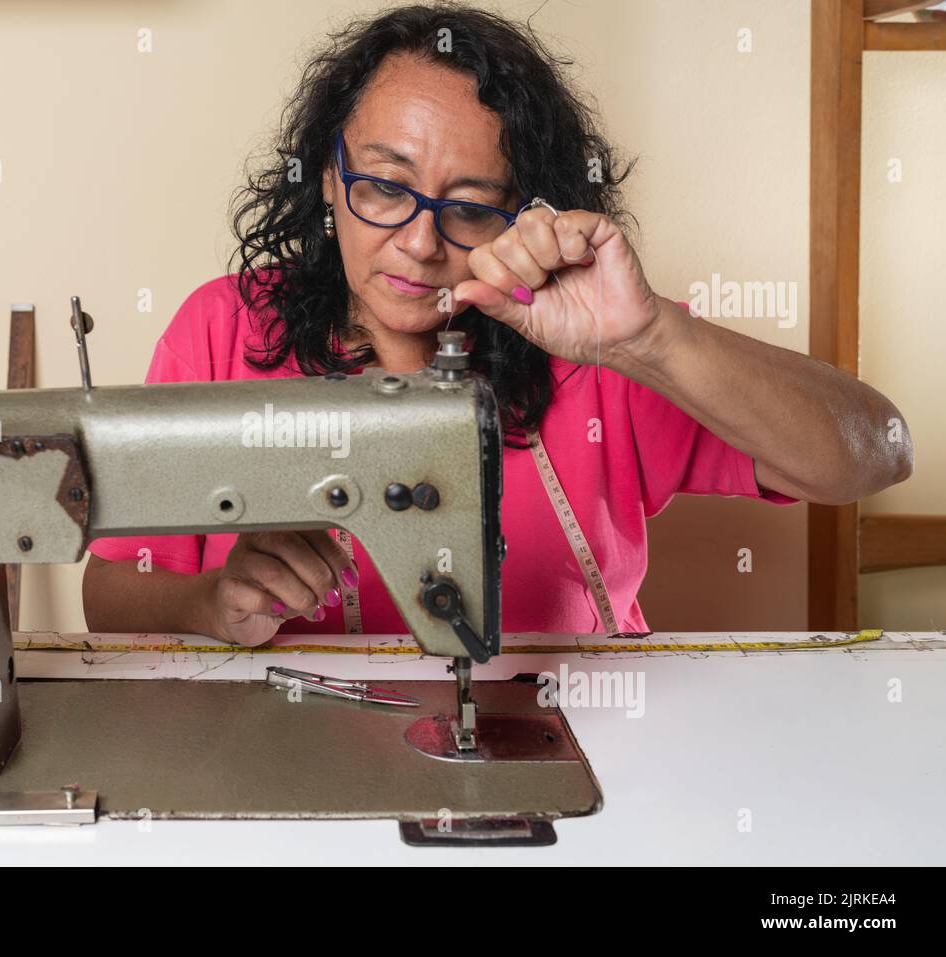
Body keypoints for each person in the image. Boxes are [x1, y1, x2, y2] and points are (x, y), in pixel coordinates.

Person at [82, 2, 912, 646]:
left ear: (525, 214)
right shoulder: (223, 330)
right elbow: (108, 598)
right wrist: (207, 600)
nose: (418, 241)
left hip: (577, 730)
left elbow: (874, 452)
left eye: (472, 209)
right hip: (299, 745)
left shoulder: (597, 345)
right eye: (383, 186)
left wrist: (650, 339)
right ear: (328, 177)